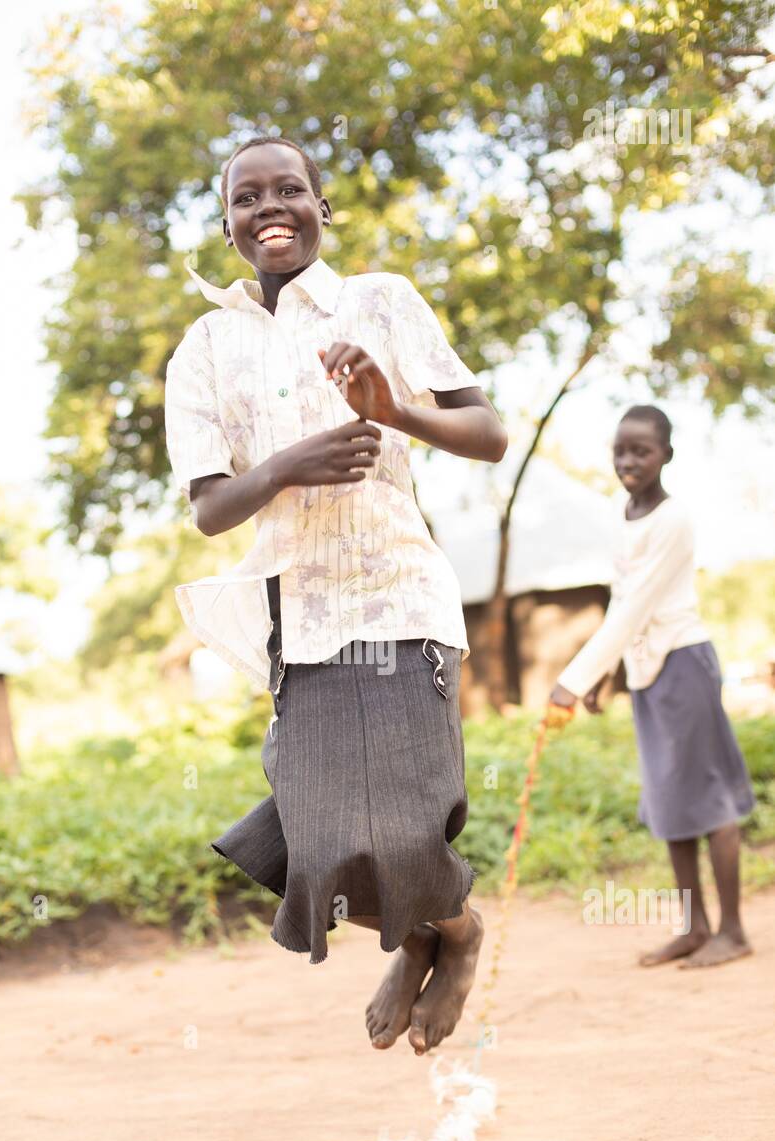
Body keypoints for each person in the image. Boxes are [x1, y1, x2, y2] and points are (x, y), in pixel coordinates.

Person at [164, 136, 508, 1053]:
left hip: (398, 599)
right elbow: (209, 510)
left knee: (403, 833)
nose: (269, 207)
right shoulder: (203, 348)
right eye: (247, 197)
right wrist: (287, 465)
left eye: (290, 190)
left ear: (323, 206)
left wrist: (396, 412)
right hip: (301, 621)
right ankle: (429, 930)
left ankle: (454, 936)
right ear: (228, 224)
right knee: (319, 855)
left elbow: (487, 432)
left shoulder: (381, 300)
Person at [550, 405, 755, 969]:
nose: (628, 461)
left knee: (709, 802)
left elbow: (639, 605)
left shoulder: (674, 520)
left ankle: (733, 930)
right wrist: (610, 674)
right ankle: (694, 929)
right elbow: (623, 599)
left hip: (684, 664)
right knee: (671, 802)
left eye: (641, 450)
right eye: (620, 451)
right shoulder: (625, 515)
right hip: (646, 672)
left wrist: (574, 679)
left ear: (666, 454)